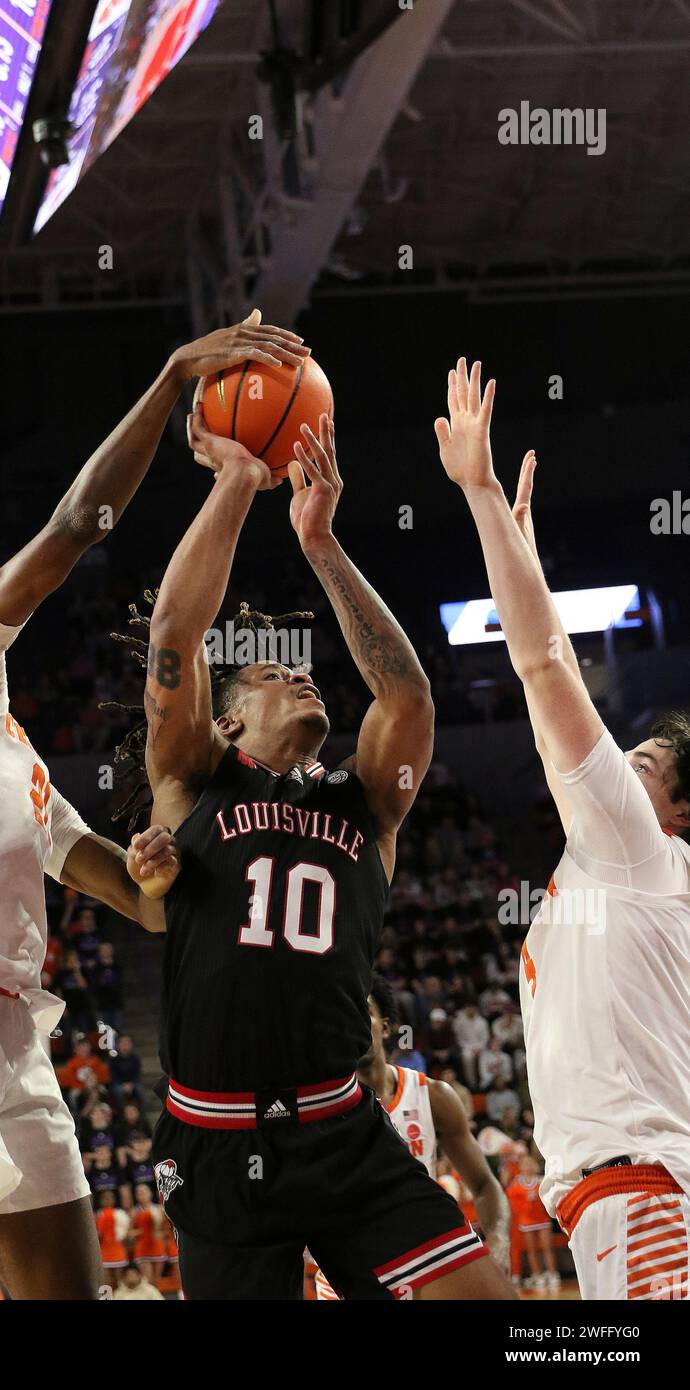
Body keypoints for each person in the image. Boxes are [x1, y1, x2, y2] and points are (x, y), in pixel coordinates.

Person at [0, 319, 303, 1300]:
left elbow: (131, 896)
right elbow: (76, 526)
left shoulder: (8, 748)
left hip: (12, 1026)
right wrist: (173, 373)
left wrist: (181, 864)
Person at [139, 394, 515, 1301]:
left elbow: (409, 701)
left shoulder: (363, 806)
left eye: (304, 670)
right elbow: (174, 636)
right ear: (228, 719)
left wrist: (320, 542)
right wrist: (236, 480)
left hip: (345, 1129)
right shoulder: (195, 778)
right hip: (218, 1138)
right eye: (274, 675)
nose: (303, 675)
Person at [435, 356, 690, 1301]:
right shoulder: (618, 856)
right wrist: (520, 562)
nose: (622, 764)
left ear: (679, 808)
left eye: (646, 764)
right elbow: (545, 678)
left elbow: (544, 668)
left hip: (642, 1188)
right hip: (631, 1189)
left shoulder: (637, 845)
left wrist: (482, 495)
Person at [313, 976, 511, 1298]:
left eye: (362, 1011)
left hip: (424, 1265)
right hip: (348, 1275)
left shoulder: (433, 1096)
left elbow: (486, 1185)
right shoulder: (319, 1107)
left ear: (387, 1027)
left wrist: (498, 1247)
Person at [506, 1152, 560, 1294]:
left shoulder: (541, 1180)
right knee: (531, 1250)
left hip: (542, 1219)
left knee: (547, 1247)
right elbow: (513, 1201)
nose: (528, 1166)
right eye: (525, 1163)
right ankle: (538, 1275)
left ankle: (553, 1274)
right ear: (520, 1167)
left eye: (530, 1163)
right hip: (526, 1221)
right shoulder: (516, 1183)